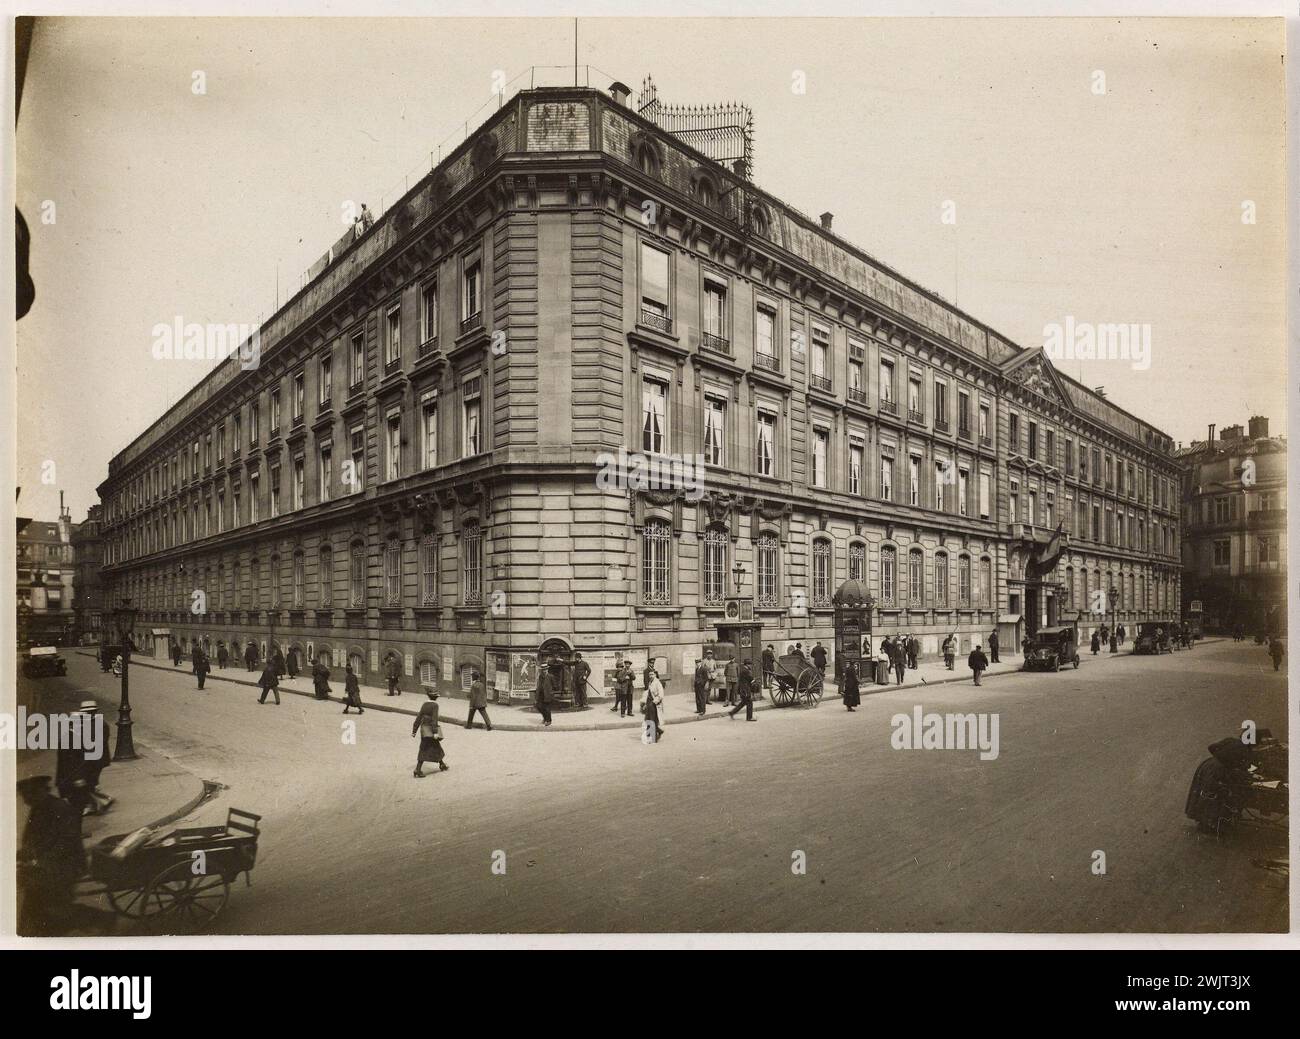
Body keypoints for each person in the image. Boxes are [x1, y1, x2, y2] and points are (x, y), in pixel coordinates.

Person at [17, 775, 86, 936]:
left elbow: (66, 843)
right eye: (24, 796)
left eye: (29, 795)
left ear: (41, 791)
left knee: (50, 907)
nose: (26, 800)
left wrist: (38, 861)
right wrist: (23, 855)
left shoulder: (59, 808)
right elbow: (32, 840)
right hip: (48, 865)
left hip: (67, 864)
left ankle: (100, 920)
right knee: (36, 904)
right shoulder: (38, 807)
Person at [56, 701, 113, 818]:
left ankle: (98, 803)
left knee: (88, 784)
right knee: (89, 783)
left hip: (94, 760)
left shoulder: (97, 725)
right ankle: (98, 802)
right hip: (91, 760)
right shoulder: (91, 725)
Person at [411, 690, 448, 777]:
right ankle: (417, 769)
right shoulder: (435, 705)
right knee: (425, 748)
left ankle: (442, 764)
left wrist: (414, 730)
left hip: (423, 729)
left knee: (435, 747)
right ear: (436, 698)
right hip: (430, 730)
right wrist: (435, 732)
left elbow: (419, 717)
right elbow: (434, 719)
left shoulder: (425, 704)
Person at [642, 665, 666, 739]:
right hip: (649, 703)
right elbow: (648, 694)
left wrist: (654, 701)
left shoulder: (657, 683)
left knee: (653, 719)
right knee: (648, 718)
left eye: (652, 674)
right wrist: (645, 704)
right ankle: (654, 732)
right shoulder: (650, 682)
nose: (651, 676)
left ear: (655, 675)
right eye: (649, 674)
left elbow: (661, 695)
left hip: (654, 704)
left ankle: (654, 736)